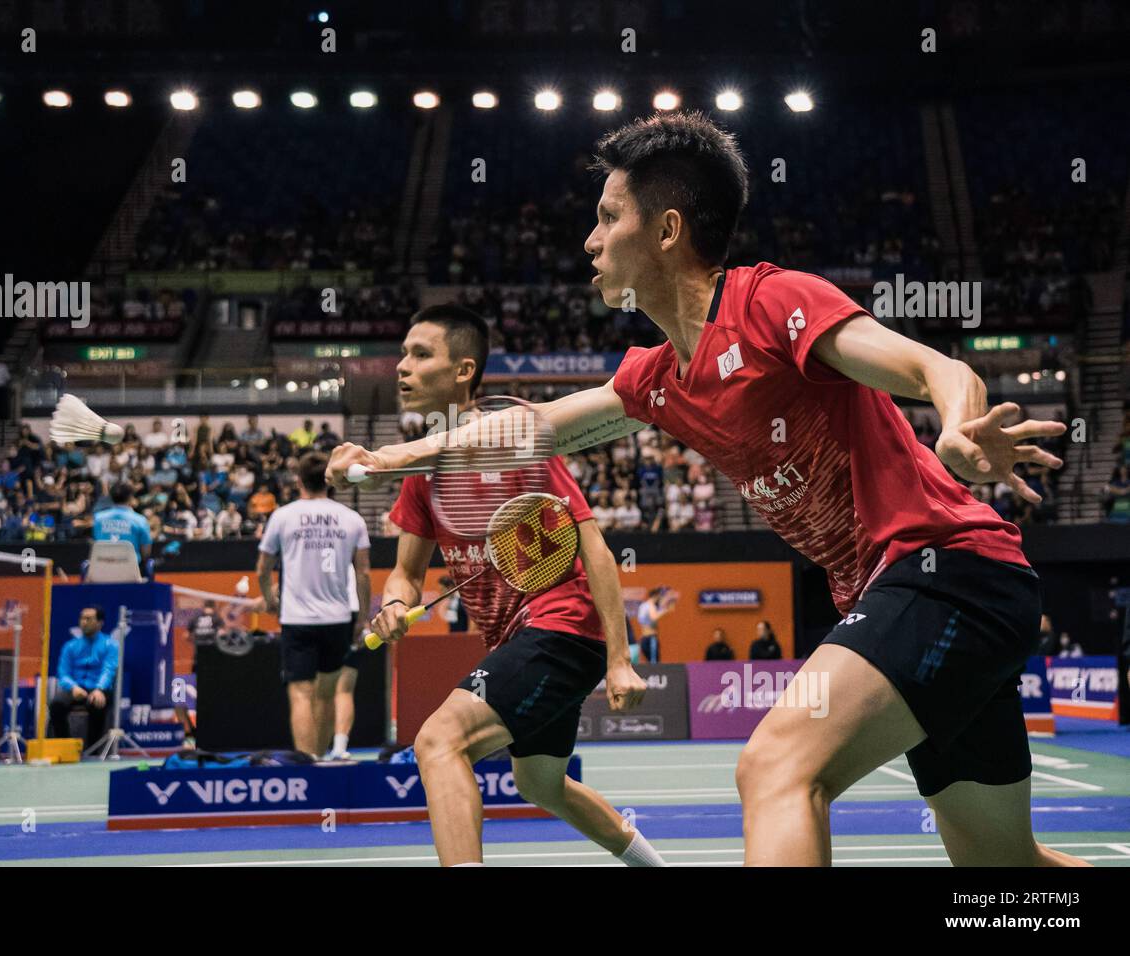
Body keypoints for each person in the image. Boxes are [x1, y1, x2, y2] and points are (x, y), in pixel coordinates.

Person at [328, 112, 1078, 867]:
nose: (589, 240)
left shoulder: (769, 303)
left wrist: (956, 429)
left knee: (776, 768)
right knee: (1007, 875)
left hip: (948, 569)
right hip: (929, 597)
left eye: (608, 217)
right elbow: (537, 427)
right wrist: (397, 457)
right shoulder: (658, 376)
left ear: (667, 230)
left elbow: (934, 369)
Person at [347, 304, 658, 867]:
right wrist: (394, 603)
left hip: (563, 627)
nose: (402, 367)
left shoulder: (516, 441)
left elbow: (595, 547)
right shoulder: (424, 471)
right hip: (518, 640)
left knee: (439, 742)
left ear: (464, 371)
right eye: (403, 354)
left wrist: (621, 657)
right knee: (541, 784)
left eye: (421, 355)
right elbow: (408, 572)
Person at [257, 452, 370, 758]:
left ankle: (308, 769)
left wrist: (269, 599)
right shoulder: (352, 519)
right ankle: (320, 763)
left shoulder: (282, 516)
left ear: (298, 481)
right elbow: (363, 573)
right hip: (337, 618)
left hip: (298, 619)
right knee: (326, 695)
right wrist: (361, 617)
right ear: (330, 481)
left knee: (301, 695)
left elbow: (262, 569)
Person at [49, 606, 119, 748]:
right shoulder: (70, 646)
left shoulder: (111, 645)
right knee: (56, 704)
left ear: (100, 623)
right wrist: (73, 687)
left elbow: (109, 669)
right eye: (82, 618)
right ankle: (66, 746)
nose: (84, 622)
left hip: (99, 687)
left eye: (89, 619)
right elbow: (63, 673)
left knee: (97, 705)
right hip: (75, 688)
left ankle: (93, 750)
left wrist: (99, 689)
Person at [325, 565, 368, 760]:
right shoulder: (351, 539)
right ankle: (339, 749)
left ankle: (312, 752)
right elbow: (363, 576)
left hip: (319, 615)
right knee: (343, 689)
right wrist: (363, 619)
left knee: (317, 689)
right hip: (351, 612)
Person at [176, 601, 223, 749]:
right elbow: (222, 635)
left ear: (204, 607)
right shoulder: (216, 619)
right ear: (214, 607)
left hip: (198, 661)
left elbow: (186, 636)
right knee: (213, 697)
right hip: (215, 663)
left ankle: (193, 733)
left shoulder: (195, 619)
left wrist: (198, 641)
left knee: (199, 699)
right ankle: (212, 731)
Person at [91, 482, 152, 569]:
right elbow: (146, 553)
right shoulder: (140, 520)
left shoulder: (98, 518)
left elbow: (96, 543)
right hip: (131, 575)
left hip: (102, 572)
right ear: (130, 497)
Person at [636, 587, 677, 662]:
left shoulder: (643, 606)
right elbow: (654, 617)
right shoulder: (650, 605)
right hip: (651, 638)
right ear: (656, 596)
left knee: (650, 661)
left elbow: (660, 605)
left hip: (644, 637)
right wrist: (666, 610)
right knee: (654, 662)